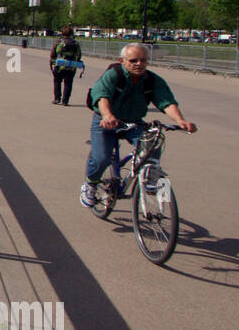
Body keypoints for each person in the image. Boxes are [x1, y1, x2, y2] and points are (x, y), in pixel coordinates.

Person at [80, 43, 197, 207]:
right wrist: (107, 115)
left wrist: (180, 121)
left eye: (143, 60)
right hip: (106, 121)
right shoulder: (114, 75)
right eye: (134, 60)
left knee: (152, 144)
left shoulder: (152, 80)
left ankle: (152, 182)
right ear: (122, 60)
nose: (139, 64)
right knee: (102, 158)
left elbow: (167, 102)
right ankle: (90, 184)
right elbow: (101, 96)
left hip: (134, 121)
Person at [49, 25, 83, 105]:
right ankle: (65, 101)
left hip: (59, 66)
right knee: (68, 83)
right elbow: (79, 55)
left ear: (62, 33)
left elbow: (52, 54)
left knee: (57, 82)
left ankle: (57, 99)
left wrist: (53, 61)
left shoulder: (59, 42)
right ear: (71, 33)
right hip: (71, 66)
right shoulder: (75, 43)